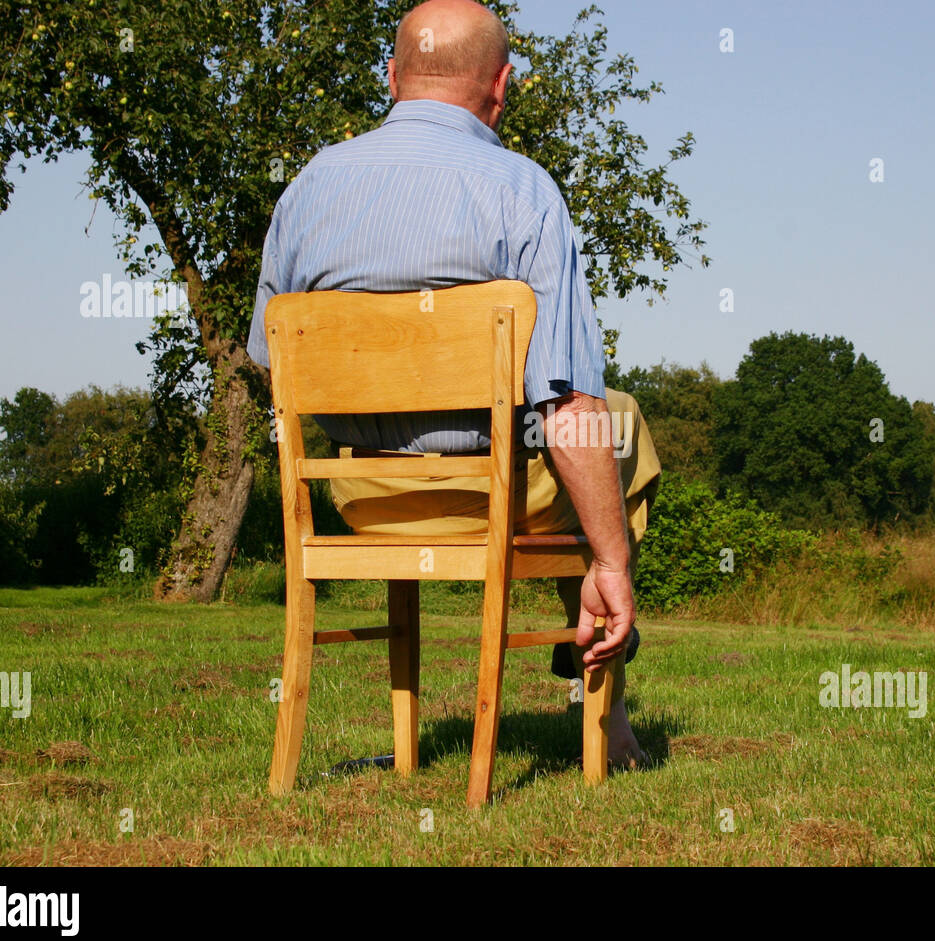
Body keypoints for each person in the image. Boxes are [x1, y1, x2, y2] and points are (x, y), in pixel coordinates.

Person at [246, 0, 658, 767]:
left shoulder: (308, 187)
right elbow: (567, 405)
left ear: (392, 76)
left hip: (361, 500)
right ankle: (607, 692)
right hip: (489, 495)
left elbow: (275, 363)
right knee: (616, 420)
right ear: (500, 88)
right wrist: (610, 557)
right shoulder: (523, 190)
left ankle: (403, 746)